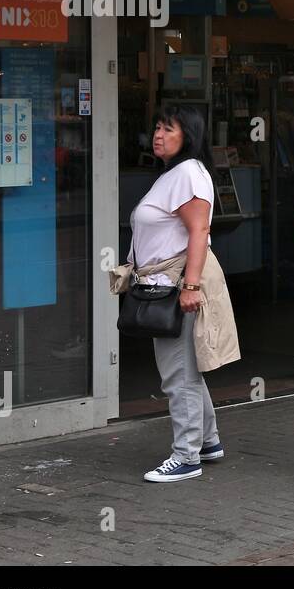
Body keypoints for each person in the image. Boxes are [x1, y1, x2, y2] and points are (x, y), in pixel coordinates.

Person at [123, 105, 240, 483]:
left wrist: (190, 286)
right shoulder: (176, 173)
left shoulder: (188, 174)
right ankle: (207, 441)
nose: (158, 134)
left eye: (168, 128)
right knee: (186, 370)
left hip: (175, 287)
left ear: (187, 135)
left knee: (178, 376)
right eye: (156, 127)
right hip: (165, 284)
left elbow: (199, 233)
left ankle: (186, 457)